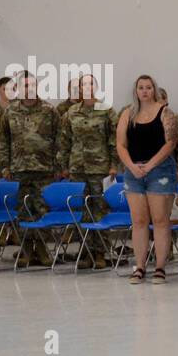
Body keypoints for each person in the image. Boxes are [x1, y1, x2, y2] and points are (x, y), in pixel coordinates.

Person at [116, 75, 178, 283]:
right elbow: (120, 145)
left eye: (148, 87)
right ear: (136, 91)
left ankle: (160, 267)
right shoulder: (127, 114)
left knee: (160, 220)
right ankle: (140, 267)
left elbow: (170, 143)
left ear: (154, 89)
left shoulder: (165, 113)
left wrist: (150, 165)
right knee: (139, 221)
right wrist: (132, 167)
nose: (144, 91)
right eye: (141, 87)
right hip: (134, 172)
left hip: (159, 171)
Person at [1, 71, 61, 268]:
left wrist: (58, 166)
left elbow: (59, 140)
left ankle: (43, 249)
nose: (29, 89)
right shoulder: (10, 112)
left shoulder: (49, 111)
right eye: (25, 86)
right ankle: (26, 250)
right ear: (18, 89)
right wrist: (5, 166)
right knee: (23, 210)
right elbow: (3, 141)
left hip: (45, 170)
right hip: (19, 169)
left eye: (32, 85)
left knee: (43, 209)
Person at [57, 73, 115, 269]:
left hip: (100, 168)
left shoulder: (106, 110)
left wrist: (114, 165)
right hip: (77, 168)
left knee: (100, 210)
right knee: (82, 211)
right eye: (84, 85)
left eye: (91, 84)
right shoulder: (71, 112)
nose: (87, 88)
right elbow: (64, 141)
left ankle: (100, 253)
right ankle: (86, 252)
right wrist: (64, 166)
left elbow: (114, 141)